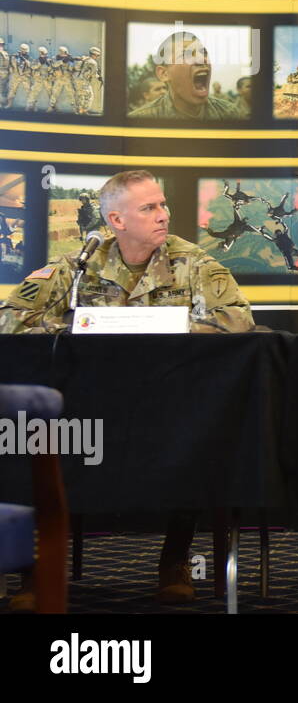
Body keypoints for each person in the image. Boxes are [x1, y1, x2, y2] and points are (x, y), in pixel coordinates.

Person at [0, 170, 253, 609]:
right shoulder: (79, 262)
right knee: (29, 441)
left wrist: (167, 328)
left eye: (163, 204)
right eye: (149, 208)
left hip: (167, 405)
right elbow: (10, 319)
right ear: (116, 219)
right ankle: (34, 571)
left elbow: (237, 321)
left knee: (197, 437)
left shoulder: (193, 262)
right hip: (88, 406)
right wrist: (77, 326)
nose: (163, 215)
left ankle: (174, 562)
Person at [128, 31, 243, 120]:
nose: (202, 59)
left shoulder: (230, 114)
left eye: (204, 53)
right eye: (186, 54)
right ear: (164, 74)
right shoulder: (140, 120)